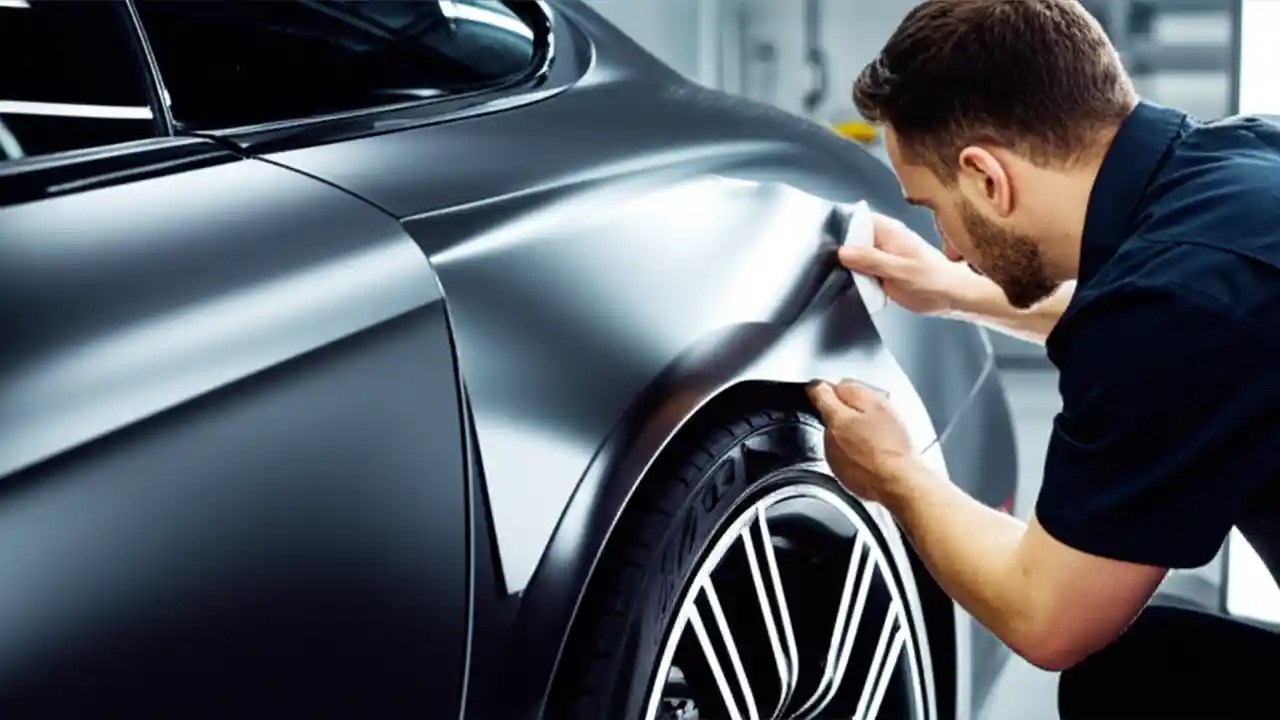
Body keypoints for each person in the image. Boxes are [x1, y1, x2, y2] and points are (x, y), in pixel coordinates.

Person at [803, 1, 1280, 717]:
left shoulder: (1173, 310)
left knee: (1127, 678)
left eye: (935, 207)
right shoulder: (1245, 158)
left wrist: (896, 475)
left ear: (987, 178)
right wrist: (958, 293)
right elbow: (1189, 309)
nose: (951, 246)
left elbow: (1048, 619)